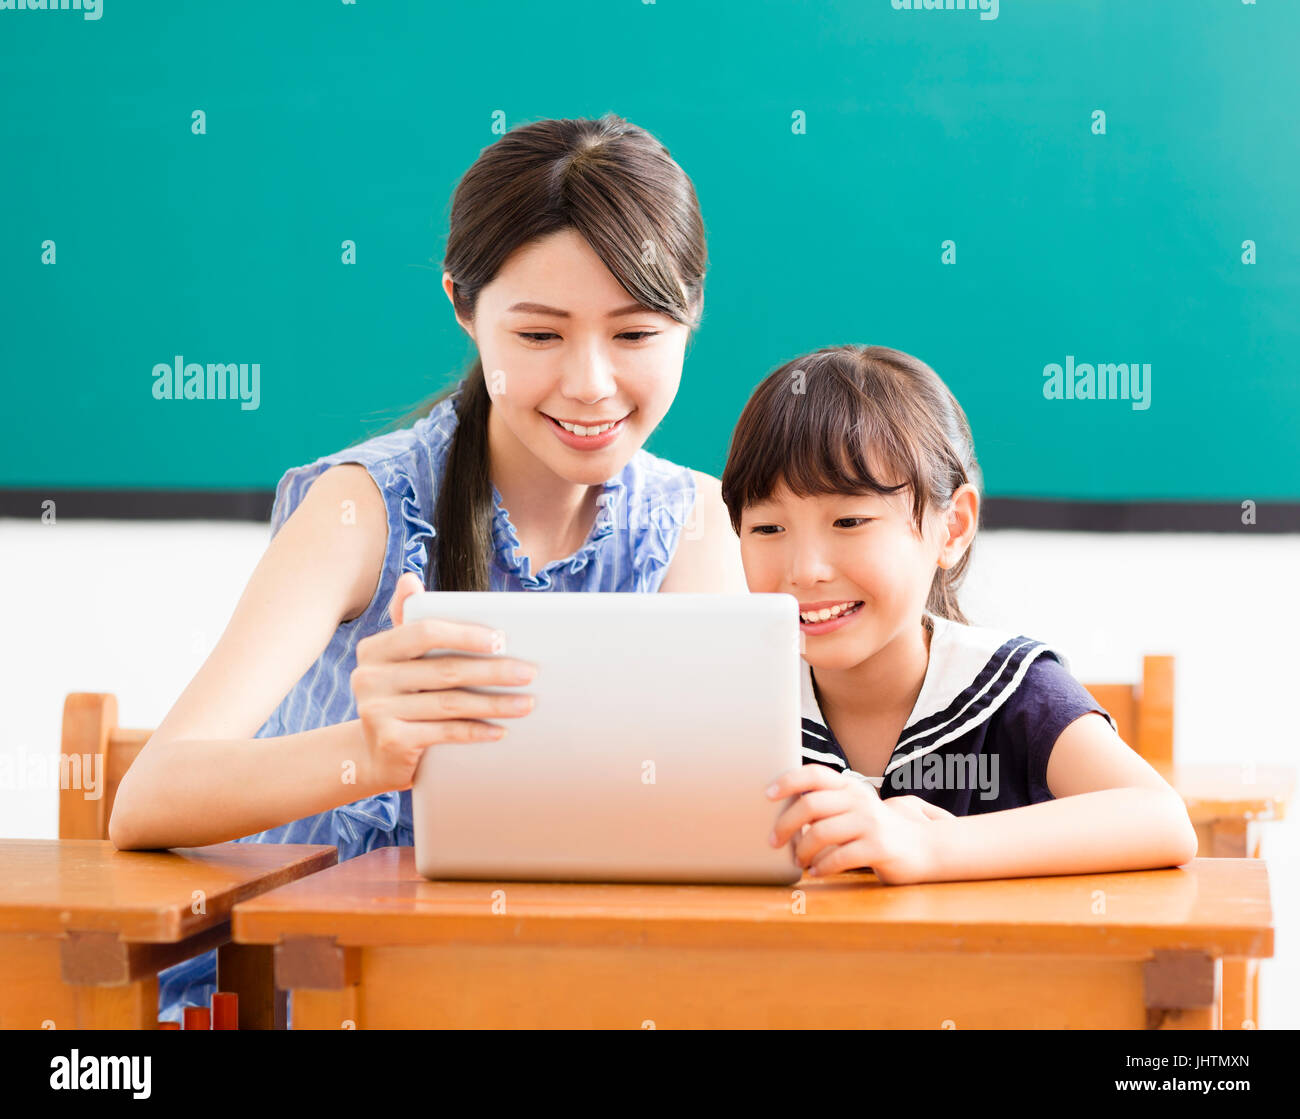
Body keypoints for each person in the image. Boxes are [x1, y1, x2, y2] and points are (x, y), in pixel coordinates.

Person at [109, 115, 747, 1021]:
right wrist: (368, 756)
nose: (592, 383)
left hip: (539, 992)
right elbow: (147, 799)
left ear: (691, 317)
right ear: (463, 304)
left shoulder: (694, 525)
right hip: (315, 988)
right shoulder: (362, 507)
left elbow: (701, 817)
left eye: (637, 334)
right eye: (539, 336)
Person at [719, 344, 1198, 885]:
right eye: (767, 529)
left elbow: (1162, 820)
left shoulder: (1012, 689)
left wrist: (930, 845)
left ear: (952, 528)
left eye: (849, 521)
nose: (804, 570)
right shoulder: (739, 700)